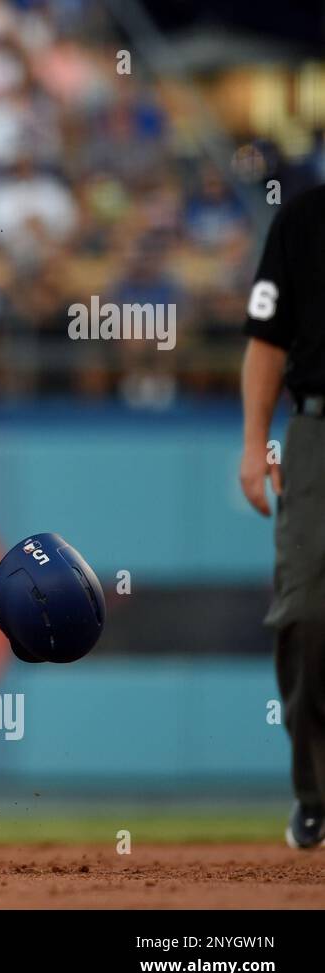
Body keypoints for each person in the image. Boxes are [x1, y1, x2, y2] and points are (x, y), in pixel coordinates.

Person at [240, 183, 325, 850]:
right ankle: (317, 794)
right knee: (305, 612)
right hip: (316, 430)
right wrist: (252, 442)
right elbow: (268, 339)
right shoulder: (304, 216)